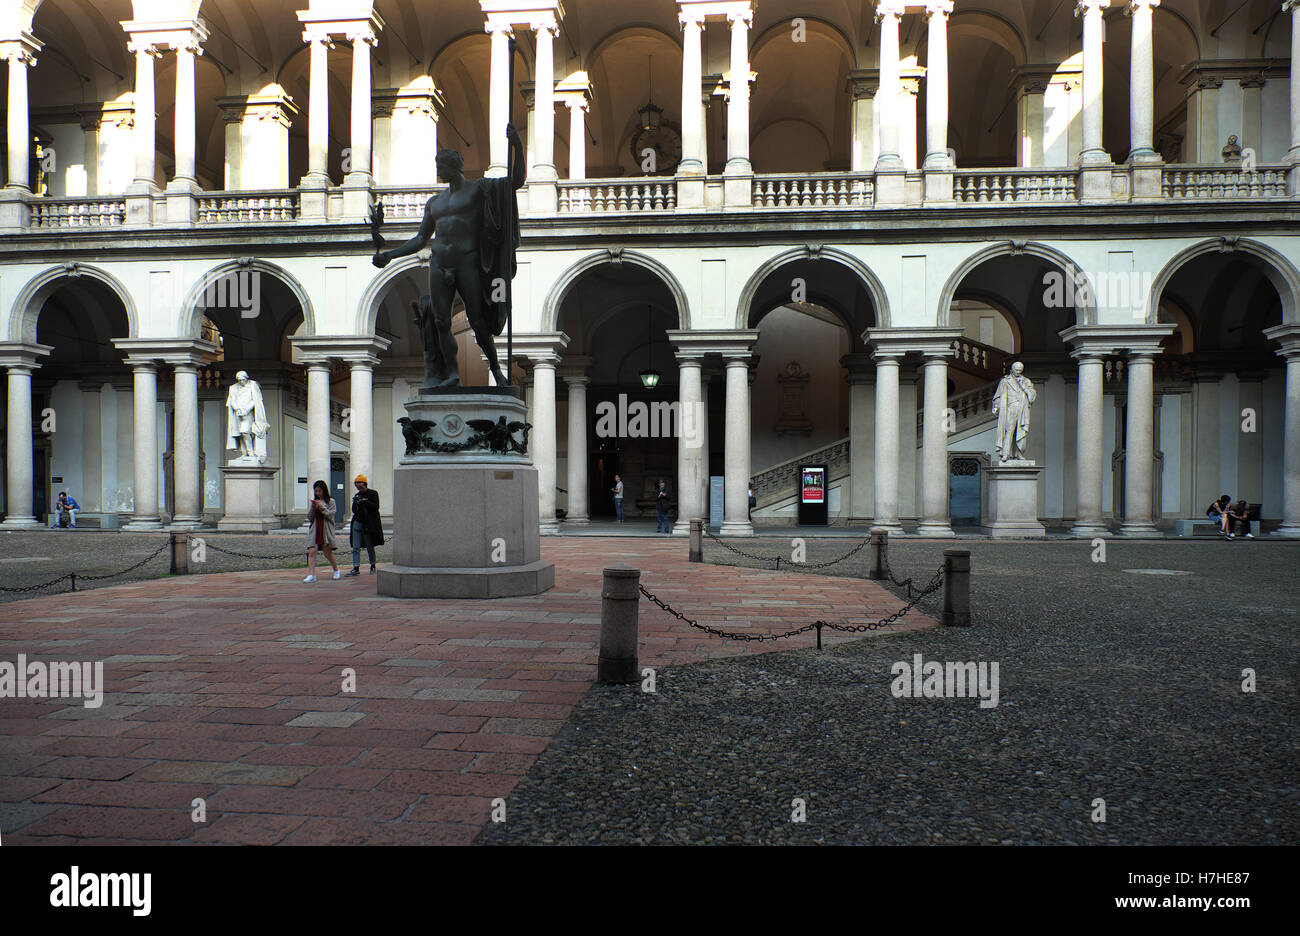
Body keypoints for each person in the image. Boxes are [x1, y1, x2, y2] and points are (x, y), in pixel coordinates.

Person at [304, 480, 341, 582]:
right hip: (315, 529)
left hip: (325, 530)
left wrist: (322, 507)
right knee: (312, 551)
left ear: (324, 490)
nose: (317, 493)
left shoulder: (331, 502)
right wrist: (313, 508)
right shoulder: (314, 502)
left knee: (327, 553)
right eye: (316, 491)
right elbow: (310, 518)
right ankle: (311, 574)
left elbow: (331, 515)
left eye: (319, 491)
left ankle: (336, 570)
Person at [348, 475, 385, 575]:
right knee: (355, 546)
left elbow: (376, 506)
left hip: (368, 524)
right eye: (358, 488)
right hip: (357, 522)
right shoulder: (357, 495)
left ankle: (372, 565)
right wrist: (356, 502)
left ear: (365, 485)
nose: (360, 489)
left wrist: (365, 502)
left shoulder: (373, 493)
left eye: (361, 487)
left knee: (369, 545)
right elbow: (354, 510)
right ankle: (356, 567)